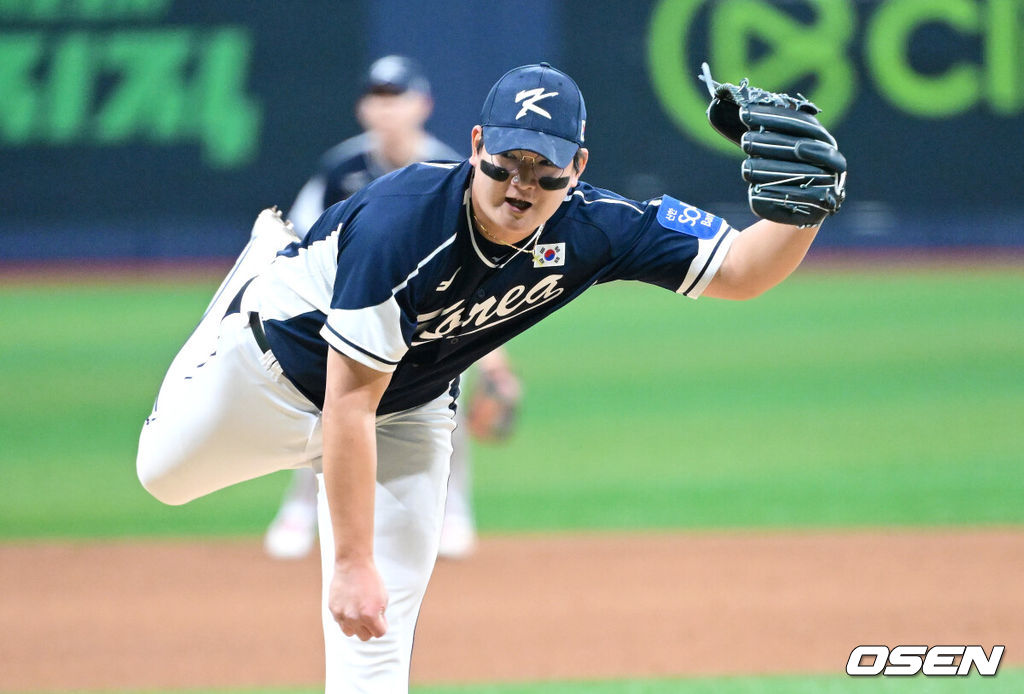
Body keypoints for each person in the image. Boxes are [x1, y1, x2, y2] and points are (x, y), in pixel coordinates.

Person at [137, 62, 846, 693]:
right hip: (271, 372)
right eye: (506, 163)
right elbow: (346, 404)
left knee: (374, 646)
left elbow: (746, 272)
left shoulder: (595, 226)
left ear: (578, 168)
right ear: (476, 146)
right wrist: (349, 563)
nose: (520, 187)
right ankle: (247, 283)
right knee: (162, 477)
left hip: (409, 409)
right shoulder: (403, 225)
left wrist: (805, 206)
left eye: (546, 172)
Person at [263, 55, 517, 561]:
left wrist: (495, 359)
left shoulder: (452, 169)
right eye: (377, 98)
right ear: (363, 108)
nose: (387, 109)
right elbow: (291, 242)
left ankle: (454, 510)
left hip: (430, 317)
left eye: (397, 97)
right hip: (347, 311)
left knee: (445, 406)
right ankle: (300, 510)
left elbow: (485, 269)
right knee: (320, 406)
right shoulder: (341, 169)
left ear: (422, 105)